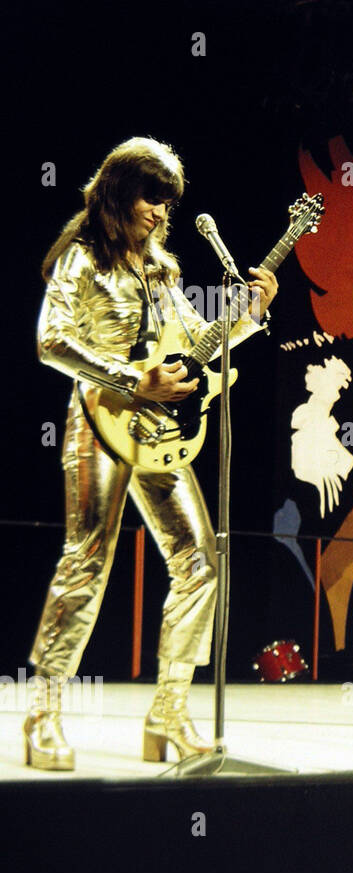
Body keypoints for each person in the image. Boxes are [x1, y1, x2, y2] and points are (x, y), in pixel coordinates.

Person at [30, 136, 278, 770]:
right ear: (119, 192)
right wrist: (129, 380)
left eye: (168, 202)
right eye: (153, 198)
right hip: (100, 419)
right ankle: (44, 714)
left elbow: (195, 339)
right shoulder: (83, 258)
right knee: (86, 560)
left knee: (200, 563)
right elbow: (51, 341)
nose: (162, 213)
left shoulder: (163, 268)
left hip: (159, 430)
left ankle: (168, 712)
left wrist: (247, 314)